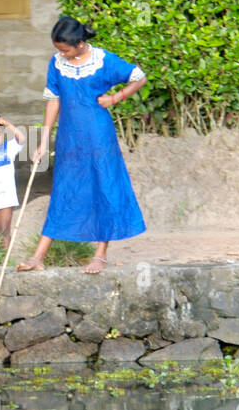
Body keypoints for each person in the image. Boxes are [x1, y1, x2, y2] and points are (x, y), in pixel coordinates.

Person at [18, 16, 147, 274]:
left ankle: (100, 255)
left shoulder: (104, 61)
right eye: (58, 49)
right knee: (65, 189)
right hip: (69, 138)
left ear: (79, 44)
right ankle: (38, 256)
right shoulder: (56, 63)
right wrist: (43, 141)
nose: (60, 54)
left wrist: (116, 98)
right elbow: (53, 100)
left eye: (65, 49)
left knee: (104, 187)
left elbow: (139, 77)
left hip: (99, 136)